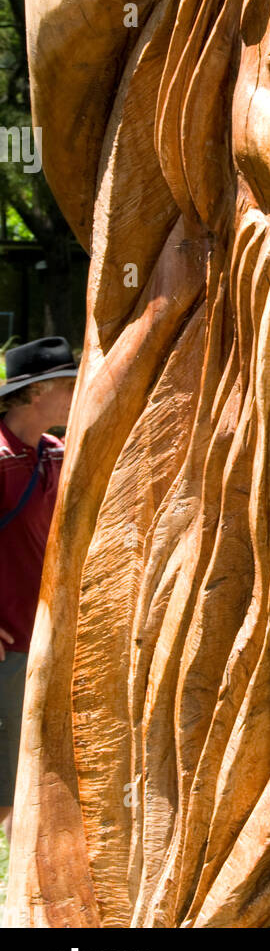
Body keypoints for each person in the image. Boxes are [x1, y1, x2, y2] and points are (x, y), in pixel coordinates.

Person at [0, 338, 77, 845]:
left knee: (39, 776)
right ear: (37, 393)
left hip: (47, 640)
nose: (79, 392)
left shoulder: (55, 454)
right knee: (7, 784)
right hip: (6, 648)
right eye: (68, 385)